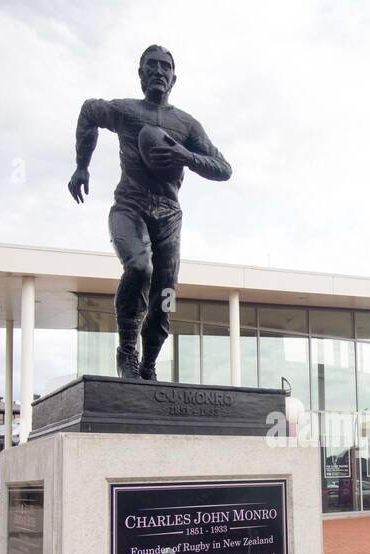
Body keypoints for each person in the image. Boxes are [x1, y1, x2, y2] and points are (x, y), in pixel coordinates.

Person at [69, 45, 232, 380]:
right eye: (151, 66)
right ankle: (127, 352)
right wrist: (81, 167)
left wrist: (187, 156)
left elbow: (224, 168)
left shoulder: (186, 124)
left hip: (169, 214)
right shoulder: (127, 111)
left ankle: (150, 364)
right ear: (140, 73)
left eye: (165, 67)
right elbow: (89, 111)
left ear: (174, 77)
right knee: (139, 268)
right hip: (130, 205)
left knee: (166, 295)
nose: (159, 71)